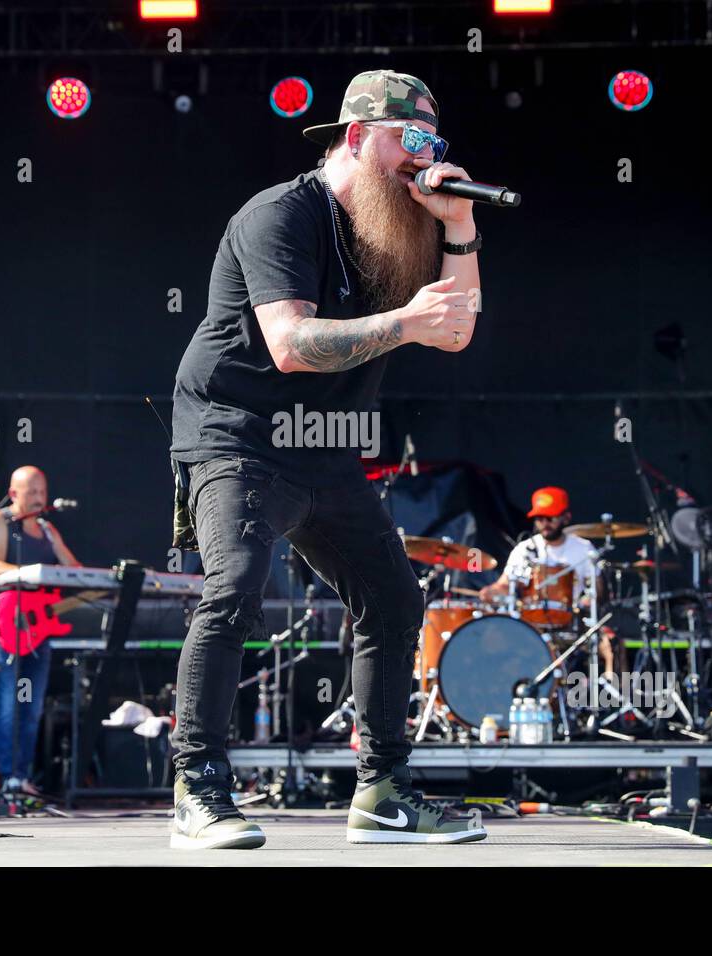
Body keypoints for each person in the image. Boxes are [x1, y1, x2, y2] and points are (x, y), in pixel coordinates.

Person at [167, 70, 486, 849]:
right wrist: (405, 320)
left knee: (393, 598)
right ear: (354, 137)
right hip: (235, 435)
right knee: (236, 583)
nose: (423, 159)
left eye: (433, 144)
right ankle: (197, 787)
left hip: (325, 449)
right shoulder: (281, 214)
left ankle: (382, 792)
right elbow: (289, 345)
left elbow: (456, 331)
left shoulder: (404, 230)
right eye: (408, 142)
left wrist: (461, 228)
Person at [0, 466, 80, 796]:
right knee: (7, 703)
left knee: (32, 706)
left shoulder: (48, 530)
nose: (38, 498)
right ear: (13, 494)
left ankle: (21, 777)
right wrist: (34, 573)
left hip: (39, 629)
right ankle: (7, 777)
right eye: (31, 492)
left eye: (42, 492)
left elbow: (73, 571)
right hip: (5, 625)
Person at [480, 486, 615, 672]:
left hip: (570, 622)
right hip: (529, 623)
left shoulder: (583, 549)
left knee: (611, 644)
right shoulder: (525, 549)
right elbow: (505, 584)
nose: (544, 523)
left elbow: (599, 592)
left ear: (566, 517)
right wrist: (492, 592)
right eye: (539, 518)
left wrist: (585, 602)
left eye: (550, 518)